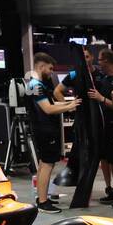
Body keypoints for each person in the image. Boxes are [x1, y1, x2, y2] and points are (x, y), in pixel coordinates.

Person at [25, 52, 80, 214]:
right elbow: (48, 109)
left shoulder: (35, 84)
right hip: (44, 130)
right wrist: (70, 106)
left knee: (44, 164)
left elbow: (48, 105)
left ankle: (42, 197)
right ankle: (43, 202)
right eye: (49, 68)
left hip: (42, 129)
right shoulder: (35, 85)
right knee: (47, 165)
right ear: (41, 66)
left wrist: (66, 105)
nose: (51, 72)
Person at [87, 48, 113, 204]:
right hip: (107, 127)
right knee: (112, 162)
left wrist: (101, 98)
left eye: (100, 60)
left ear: (108, 61)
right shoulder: (103, 80)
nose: (98, 63)